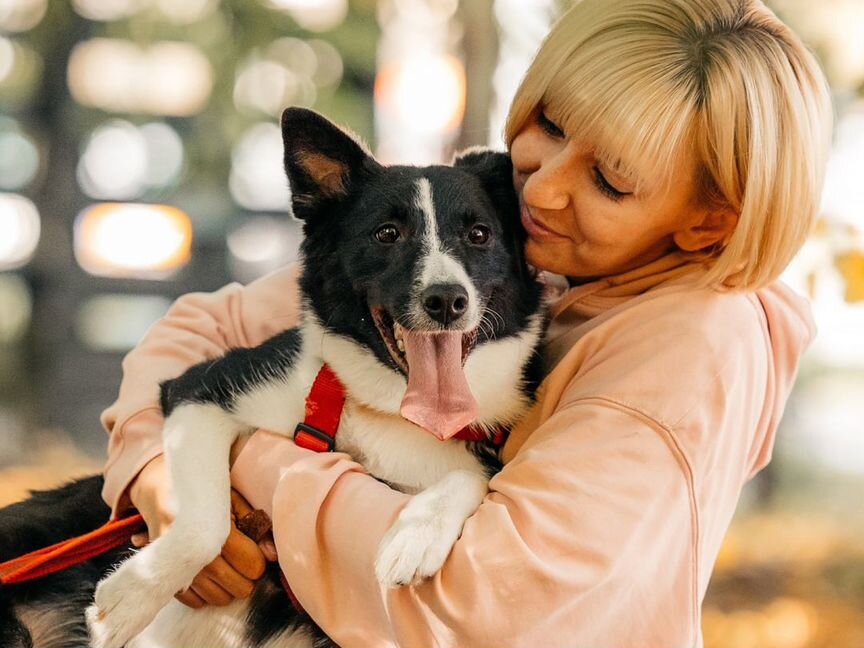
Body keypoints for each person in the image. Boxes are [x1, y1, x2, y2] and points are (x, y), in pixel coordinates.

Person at [99, 0, 832, 645]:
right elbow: (205, 328)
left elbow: (480, 604)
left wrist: (252, 463)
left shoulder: (689, 349)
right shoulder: (512, 227)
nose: (543, 188)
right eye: (549, 123)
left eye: (610, 179)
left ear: (709, 223)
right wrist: (158, 472)